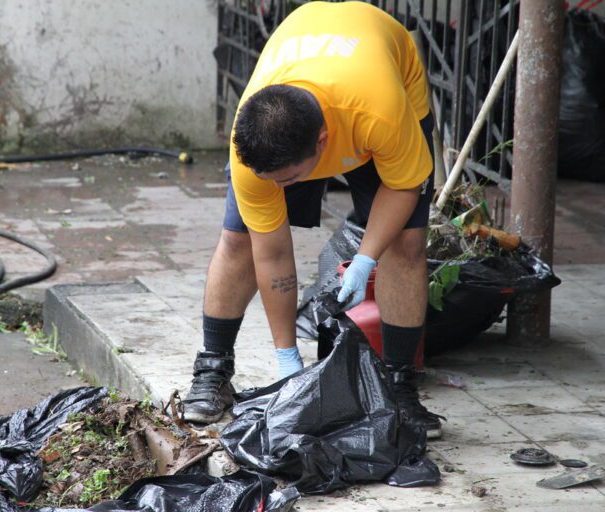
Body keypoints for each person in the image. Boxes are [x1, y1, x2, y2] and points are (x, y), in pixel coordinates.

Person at [182, 1, 444, 438]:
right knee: (240, 238)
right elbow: (272, 253)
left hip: (378, 79)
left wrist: (366, 258)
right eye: (271, 180)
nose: (280, 189)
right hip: (313, 63)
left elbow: (403, 187)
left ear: (324, 143)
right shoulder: (251, 145)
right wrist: (288, 359)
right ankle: (212, 369)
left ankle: (399, 384)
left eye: (289, 180)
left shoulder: (379, 112)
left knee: (405, 243)